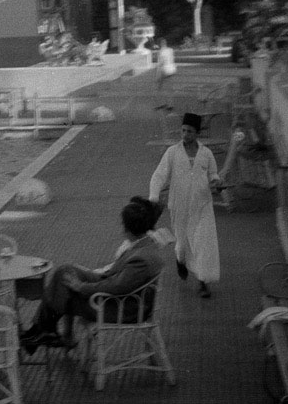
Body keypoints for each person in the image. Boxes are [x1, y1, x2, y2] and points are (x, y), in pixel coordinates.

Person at [21, 196, 164, 352]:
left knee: (61, 293)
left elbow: (116, 287)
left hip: (121, 307)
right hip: (121, 297)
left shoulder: (140, 258)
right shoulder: (144, 245)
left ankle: (38, 331)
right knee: (65, 271)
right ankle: (42, 331)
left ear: (127, 228)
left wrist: (81, 286)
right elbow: (117, 281)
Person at [149, 112, 222, 298]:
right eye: (183, 131)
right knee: (182, 245)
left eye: (189, 131)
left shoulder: (206, 153)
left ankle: (203, 282)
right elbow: (159, 175)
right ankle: (180, 260)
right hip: (179, 206)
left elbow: (213, 174)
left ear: (197, 133)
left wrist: (215, 182)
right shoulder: (172, 153)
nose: (185, 135)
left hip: (202, 205)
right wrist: (154, 197)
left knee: (203, 244)